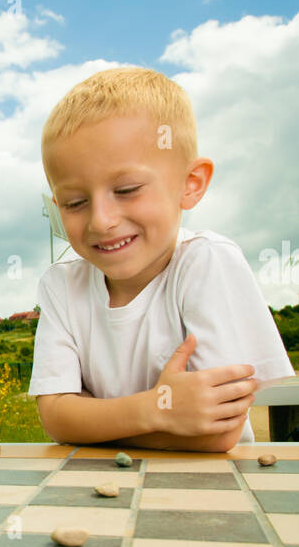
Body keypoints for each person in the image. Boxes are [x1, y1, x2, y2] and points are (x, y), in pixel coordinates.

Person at [28, 67, 294, 450]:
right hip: (96, 494)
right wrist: (156, 410)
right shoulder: (60, 285)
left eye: (127, 189)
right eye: (75, 202)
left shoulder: (207, 262)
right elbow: (55, 417)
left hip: (208, 497)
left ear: (191, 184)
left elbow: (217, 433)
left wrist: (93, 421)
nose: (101, 221)